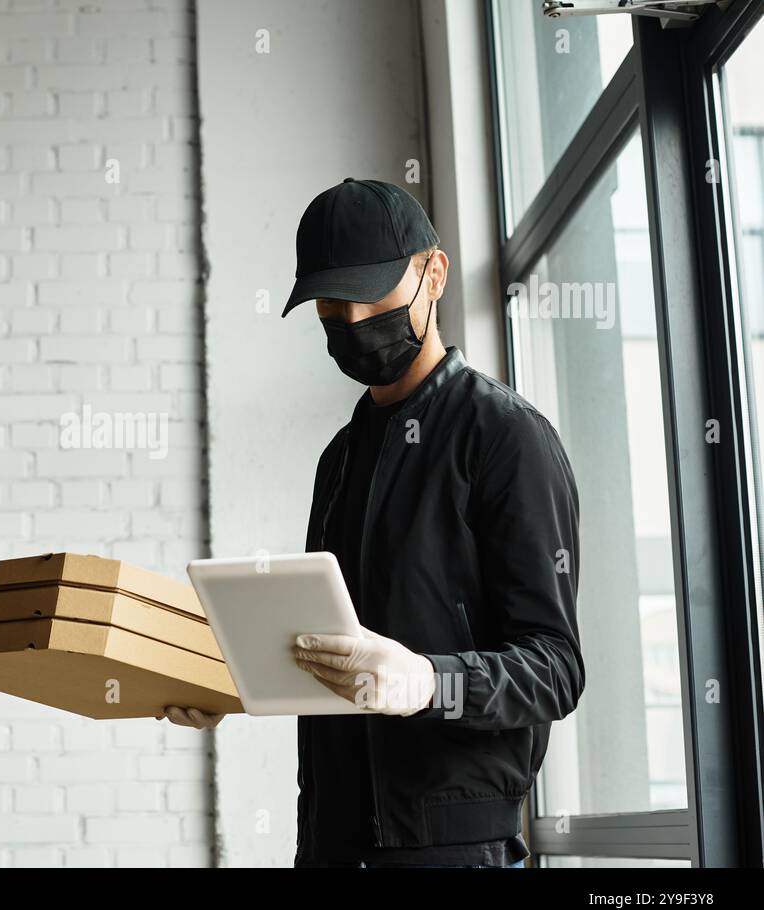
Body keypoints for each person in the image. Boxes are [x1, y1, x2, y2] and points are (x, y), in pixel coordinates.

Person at [160, 178, 585, 868]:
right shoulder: (341, 457)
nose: (351, 315)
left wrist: (427, 679)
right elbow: (329, 651)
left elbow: (556, 669)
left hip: (454, 849)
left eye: (370, 290)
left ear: (434, 273)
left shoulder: (507, 438)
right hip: (331, 841)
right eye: (331, 300)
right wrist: (234, 682)